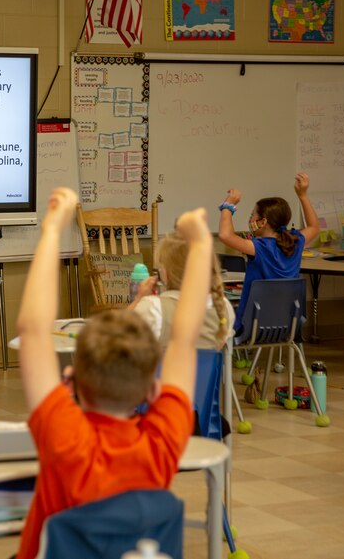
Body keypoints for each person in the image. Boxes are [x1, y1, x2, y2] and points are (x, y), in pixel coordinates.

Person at [15, 187, 213, 559]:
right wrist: (201, 245)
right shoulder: (161, 443)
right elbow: (185, 341)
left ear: (70, 382)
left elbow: (32, 331)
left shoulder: (64, 436)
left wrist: (53, 230)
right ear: (152, 391)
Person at [217, 172, 319, 332]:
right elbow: (314, 227)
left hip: (252, 326)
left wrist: (228, 206)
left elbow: (225, 235)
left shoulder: (259, 247)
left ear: (263, 221)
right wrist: (303, 195)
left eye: (252, 216)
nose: (250, 220)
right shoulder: (295, 241)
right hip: (289, 327)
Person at [129, 231, 233, 352]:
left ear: (164, 273)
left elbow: (113, 339)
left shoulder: (153, 309)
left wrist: (138, 299)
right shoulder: (223, 307)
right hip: (205, 371)